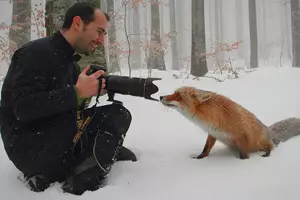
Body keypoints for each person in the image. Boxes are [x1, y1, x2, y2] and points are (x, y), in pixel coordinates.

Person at [0, 2, 137, 195]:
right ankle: (78, 182)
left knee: (115, 114)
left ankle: (97, 153)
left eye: (104, 34)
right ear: (78, 23)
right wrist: (76, 93)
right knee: (115, 117)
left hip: (56, 135)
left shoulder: (71, 65)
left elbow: (66, 107)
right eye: (99, 31)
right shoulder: (34, 53)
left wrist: (87, 92)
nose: (100, 40)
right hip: (30, 147)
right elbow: (23, 108)